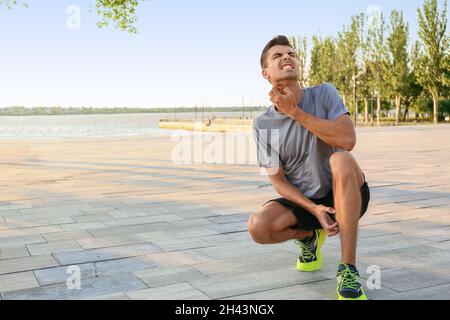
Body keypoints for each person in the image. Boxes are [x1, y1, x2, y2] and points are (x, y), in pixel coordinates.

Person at [248, 35, 371, 300]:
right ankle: (308, 237)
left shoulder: (325, 93)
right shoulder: (263, 125)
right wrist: (313, 209)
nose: (286, 57)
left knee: (340, 159)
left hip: (347, 190)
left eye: (291, 53)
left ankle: (348, 269)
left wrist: (296, 113)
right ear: (266, 74)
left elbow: (348, 140)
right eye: (277, 55)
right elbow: (278, 180)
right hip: (308, 202)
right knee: (258, 226)